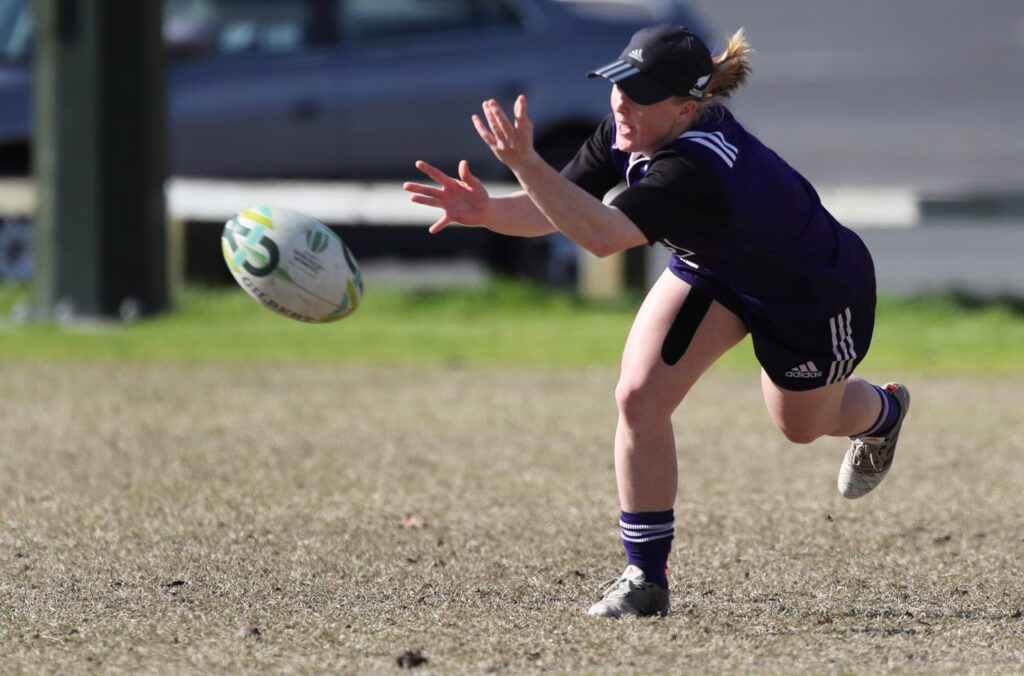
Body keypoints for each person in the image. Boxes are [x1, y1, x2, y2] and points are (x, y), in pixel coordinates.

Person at [403, 24, 910, 618]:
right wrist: (487, 210)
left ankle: (884, 412)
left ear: (686, 109)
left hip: (812, 296)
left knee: (801, 426)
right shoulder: (632, 128)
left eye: (640, 94)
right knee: (639, 398)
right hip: (714, 269)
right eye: (619, 86)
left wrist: (523, 163)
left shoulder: (695, 169)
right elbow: (562, 205)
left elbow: (600, 237)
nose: (621, 102)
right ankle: (645, 579)